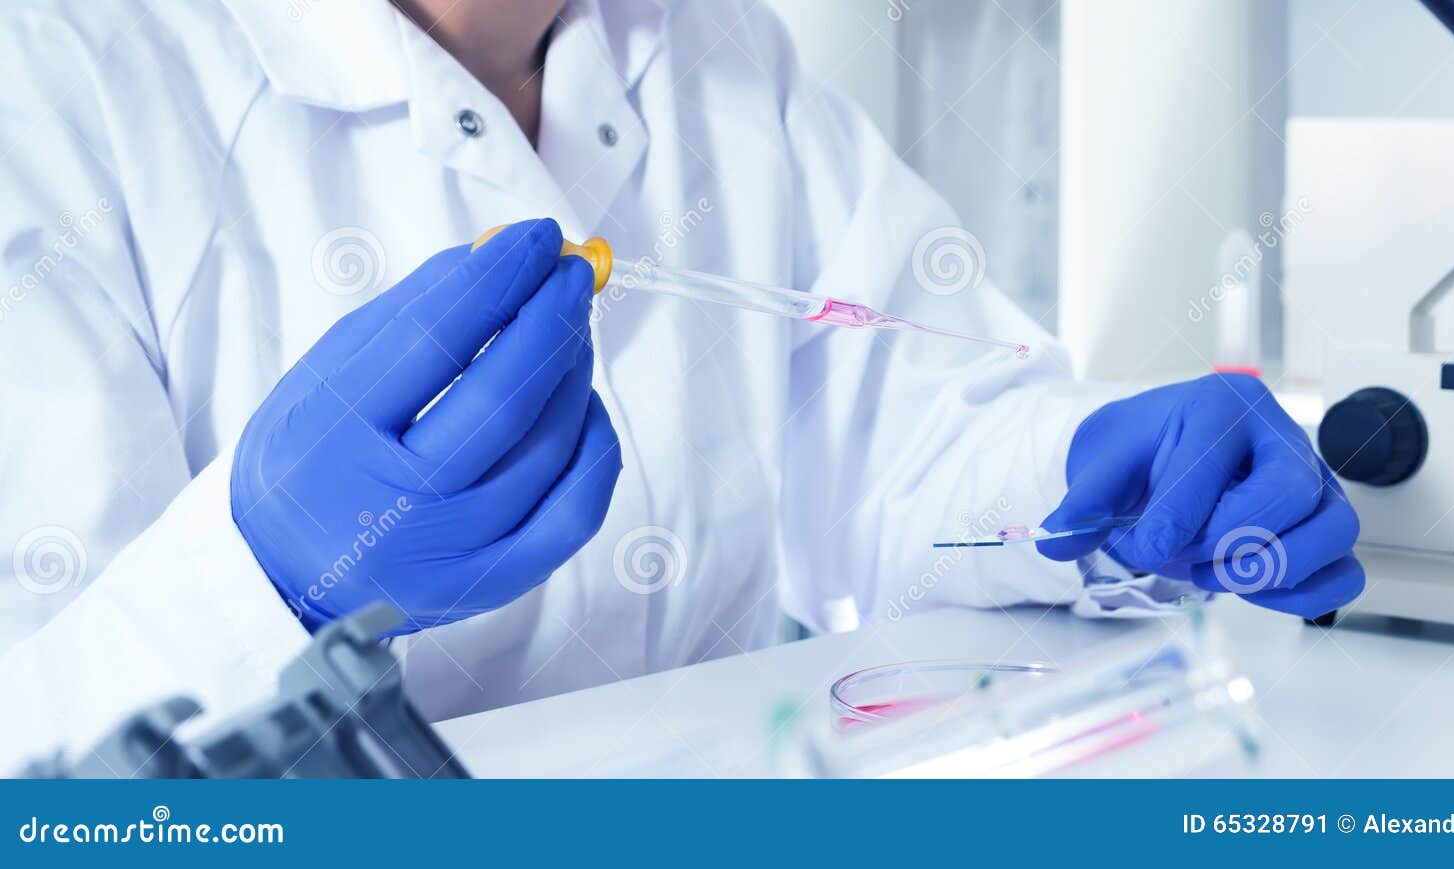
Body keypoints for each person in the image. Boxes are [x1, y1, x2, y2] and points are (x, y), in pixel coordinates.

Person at [0, 0, 1362, 764]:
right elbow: (37, 732)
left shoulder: (714, 51)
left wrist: (1090, 482)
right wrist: (270, 575)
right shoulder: (59, 78)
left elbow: (901, 457)